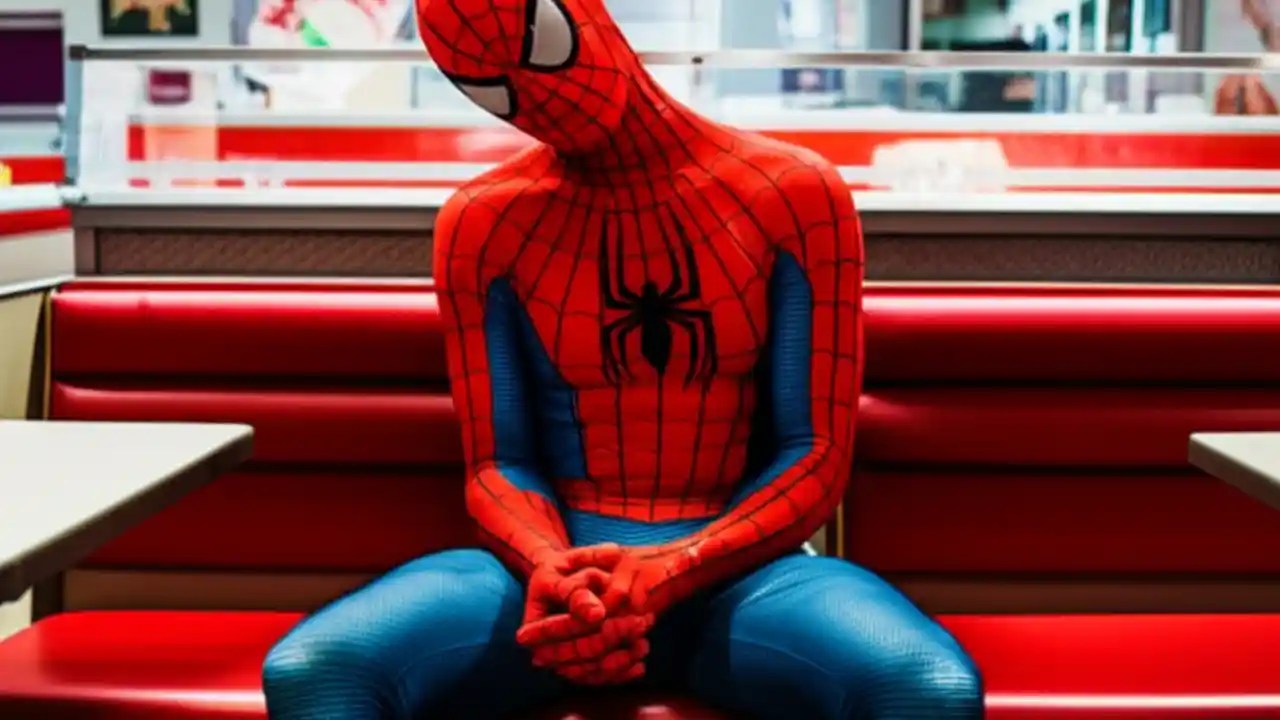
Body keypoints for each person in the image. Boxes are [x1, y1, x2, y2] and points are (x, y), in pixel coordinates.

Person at [261, 1, 982, 717]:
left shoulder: (791, 193)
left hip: (746, 578)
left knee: (926, 689)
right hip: (546, 585)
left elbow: (815, 454)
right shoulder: (486, 220)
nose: (540, 97)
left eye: (543, 45)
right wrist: (555, 571)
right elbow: (494, 464)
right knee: (315, 670)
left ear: (594, 17)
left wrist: (665, 572)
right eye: (494, 89)